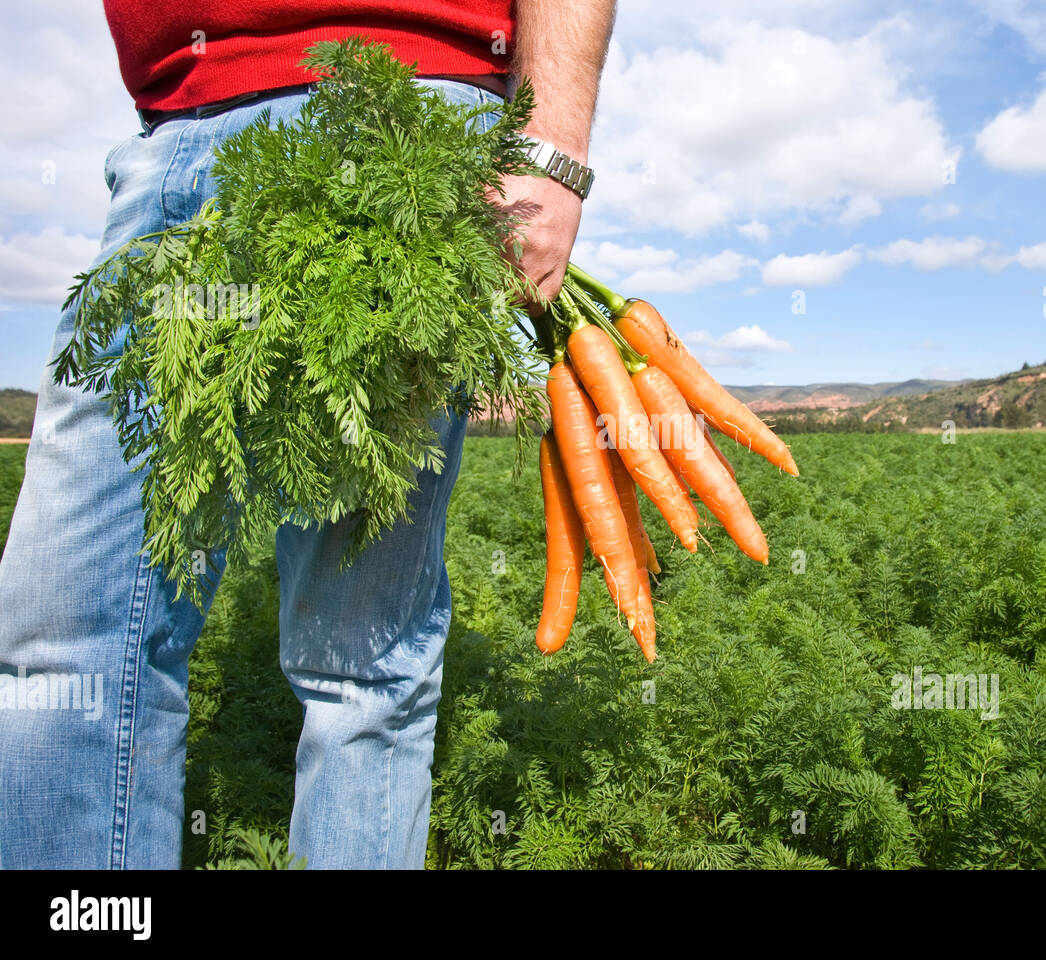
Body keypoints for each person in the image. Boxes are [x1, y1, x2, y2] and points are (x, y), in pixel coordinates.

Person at [0, 0, 615, 870]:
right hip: (172, 133)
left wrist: (551, 148)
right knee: (67, 637)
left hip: (407, 119)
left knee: (361, 664)